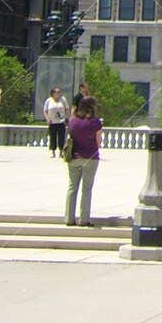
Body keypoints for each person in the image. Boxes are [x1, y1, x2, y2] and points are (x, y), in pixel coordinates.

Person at [64, 97, 102, 226]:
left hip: (74, 157)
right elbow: (99, 141)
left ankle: (69, 218)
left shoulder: (72, 120)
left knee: (72, 188)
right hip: (90, 157)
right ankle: (84, 219)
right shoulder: (95, 122)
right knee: (86, 189)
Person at [44, 87, 69, 158]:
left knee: (61, 137)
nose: (58, 93)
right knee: (52, 137)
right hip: (52, 122)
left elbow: (67, 109)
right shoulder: (48, 100)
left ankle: (61, 152)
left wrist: (66, 118)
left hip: (61, 122)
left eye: (59, 92)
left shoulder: (63, 99)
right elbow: (45, 111)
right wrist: (48, 119)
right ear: (53, 93)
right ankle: (53, 151)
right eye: (57, 92)